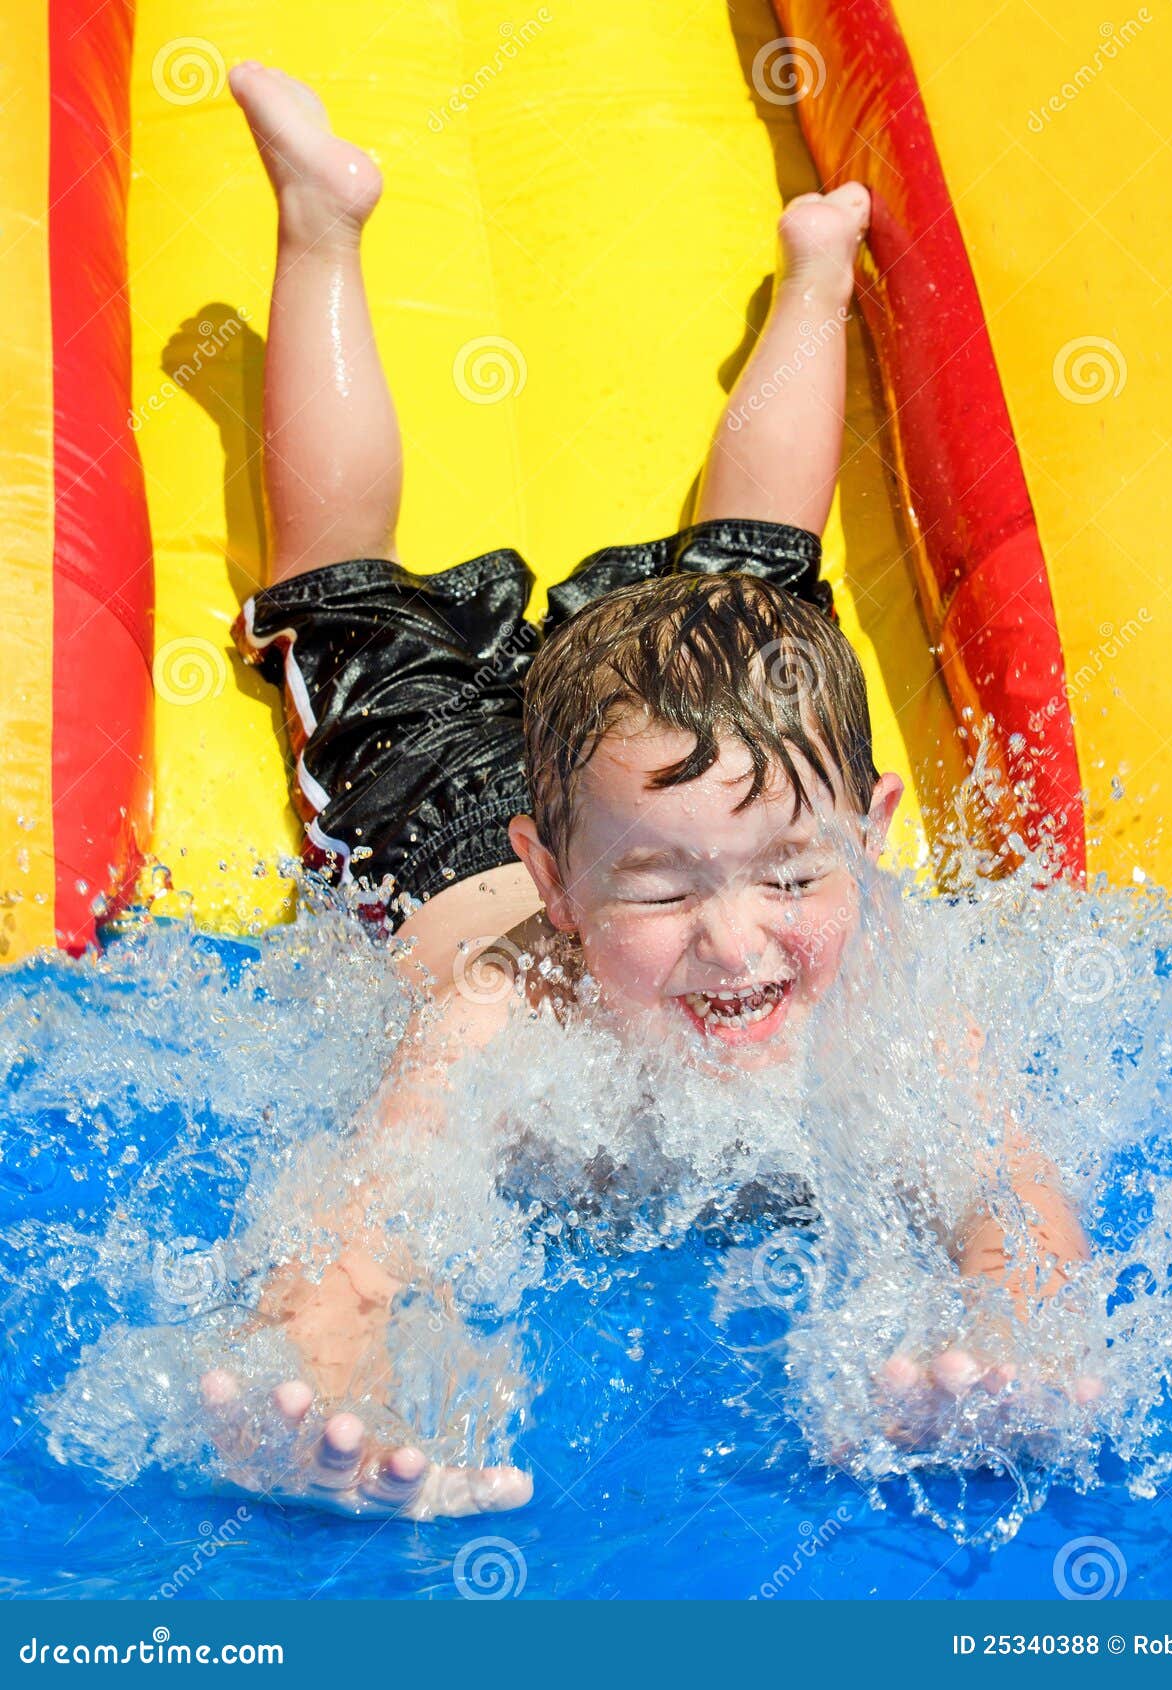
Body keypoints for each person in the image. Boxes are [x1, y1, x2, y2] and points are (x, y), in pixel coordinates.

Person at [198, 62, 1089, 1522]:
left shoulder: (901, 989)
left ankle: (817, 272)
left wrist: (1011, 1338)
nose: (737, 943)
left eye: (794, 877)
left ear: (867, 834)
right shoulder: (506, 1012)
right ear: (552, 884)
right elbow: (364, 1224)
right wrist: (321, 1374)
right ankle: (323, 220)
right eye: (666, 896)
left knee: (757, 588)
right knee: (338, 600)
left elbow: (1012, 1198)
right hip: (445, 817)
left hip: (659, 760)